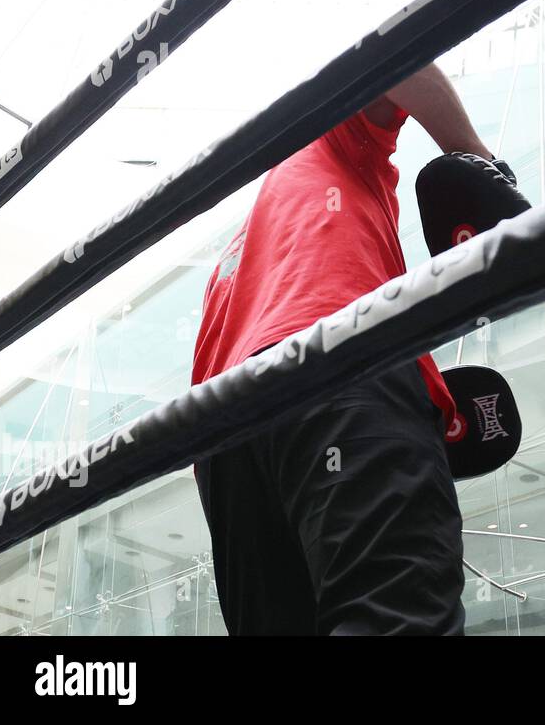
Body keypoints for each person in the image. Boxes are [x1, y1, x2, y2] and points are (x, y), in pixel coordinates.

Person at [191, 63, 518, 635]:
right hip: (337, 364)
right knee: (394, 621)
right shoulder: (330, 141)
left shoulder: (238, 263)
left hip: (222, 441)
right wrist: (481, 166)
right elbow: (400, 56)